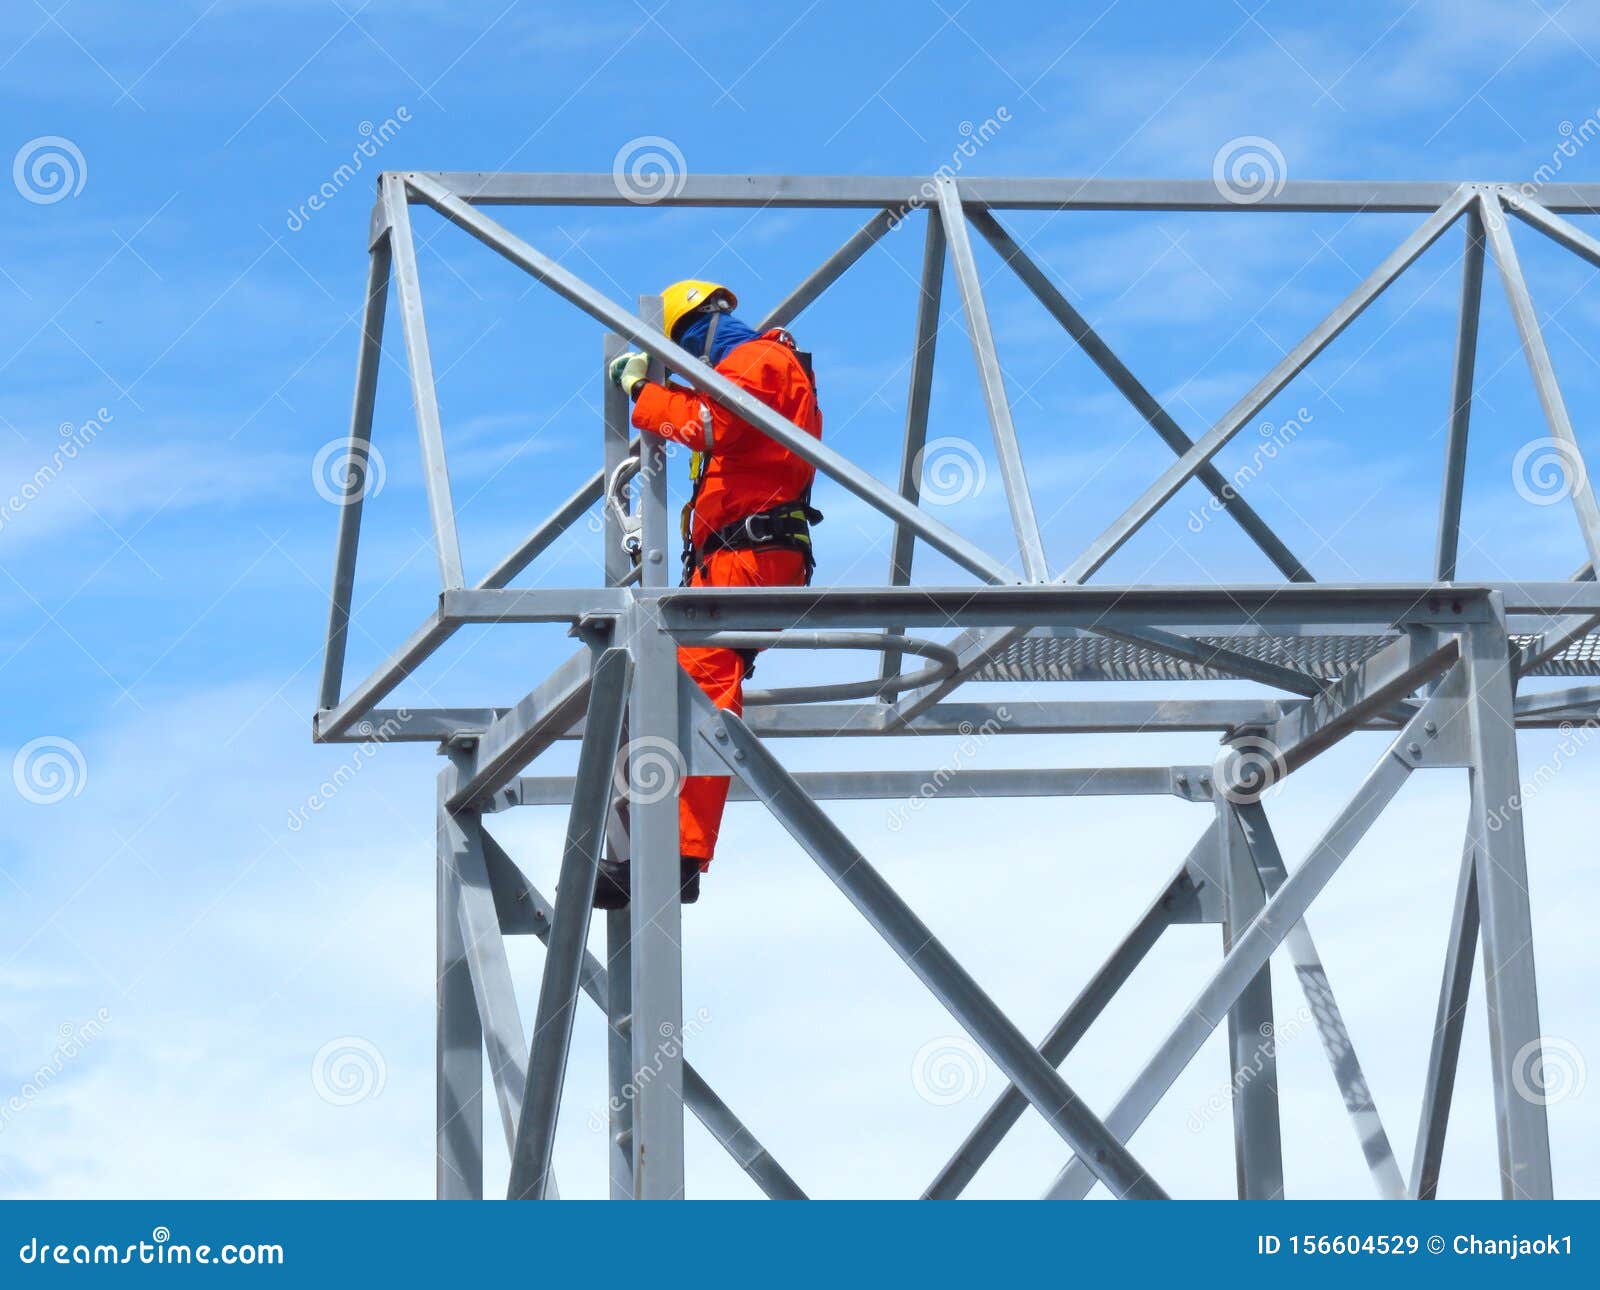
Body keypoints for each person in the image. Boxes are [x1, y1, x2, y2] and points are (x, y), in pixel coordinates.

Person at [594, 280, 822, 908]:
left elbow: (707, 422)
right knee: (677, 689)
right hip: (742, 557)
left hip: (748, 555)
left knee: (693, 693)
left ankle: (675, 860)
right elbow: (714, 420)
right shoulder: (764, 365)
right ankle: (663, 851)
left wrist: (643, 391)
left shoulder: (757, 362)